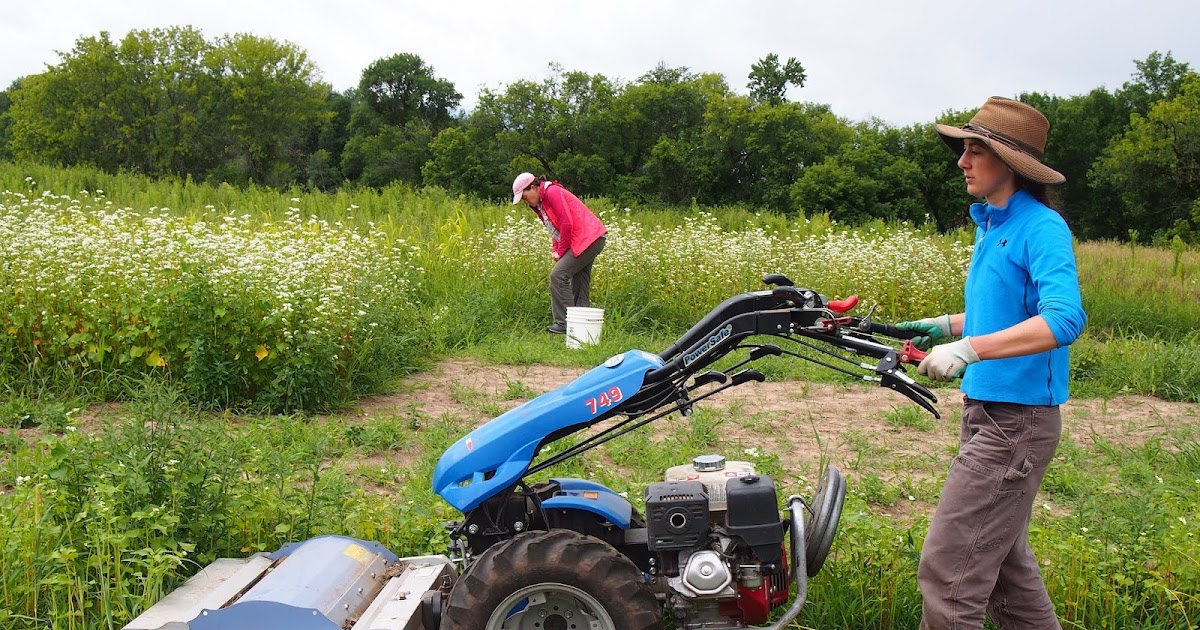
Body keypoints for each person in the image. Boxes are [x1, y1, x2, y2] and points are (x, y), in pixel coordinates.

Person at [897, 97, 1087, 629]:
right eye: (964, 149)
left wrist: (969, 350)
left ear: (1010, 163)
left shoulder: (1040, 226)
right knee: (1006, 569)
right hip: (988, 413)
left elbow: (1064, 319)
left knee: (948, 573)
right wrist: (945, 327)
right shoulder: (992, 224)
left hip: (1016, 424)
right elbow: (1002, 310)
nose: (962, 161)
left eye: (975, 150)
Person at [511, 172, 608, 334]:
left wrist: (561, 251)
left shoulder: (552, 192)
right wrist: (555, 249)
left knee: (558, 275)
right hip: (590, 239)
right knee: (579, 280)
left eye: (525, 197)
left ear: (533, 187)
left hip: (589, 239)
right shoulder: (541, 203)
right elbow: (555, 229)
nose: (525, 202)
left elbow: (566, 222)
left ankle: (564, 323)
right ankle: (582, 331)